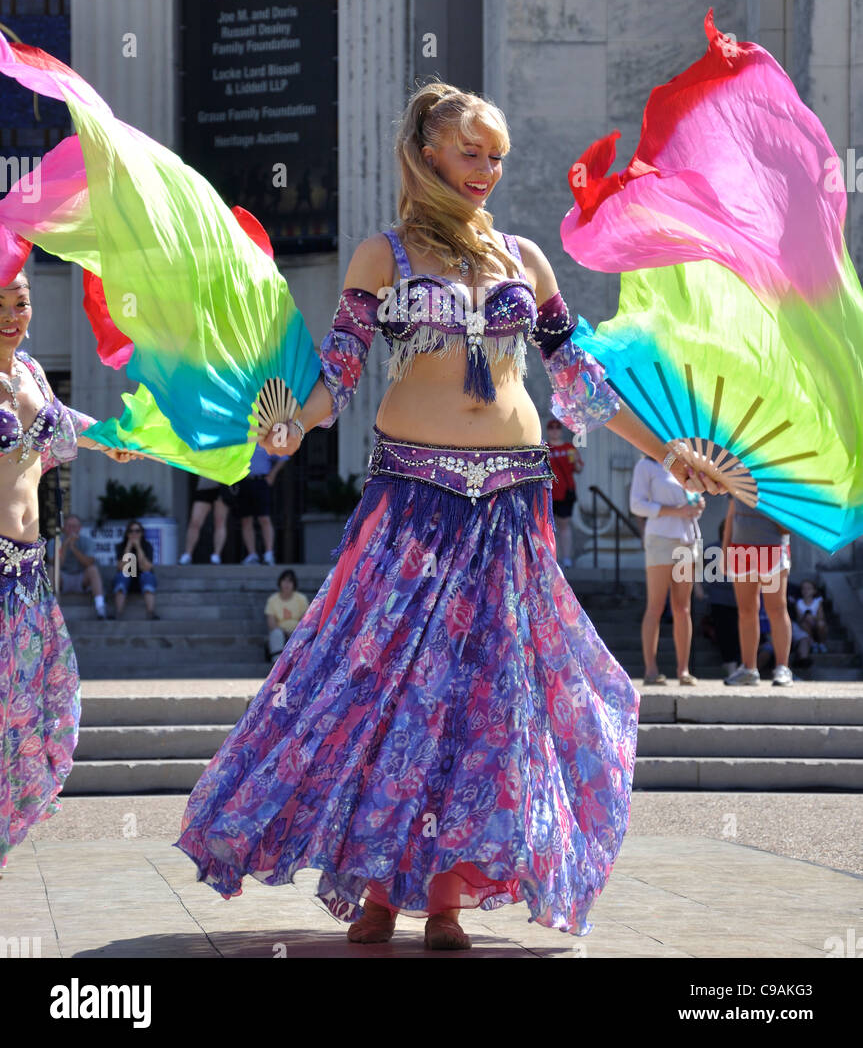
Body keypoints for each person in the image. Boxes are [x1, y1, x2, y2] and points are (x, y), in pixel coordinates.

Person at [175, 82, 726, 950]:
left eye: (497, 156)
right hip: (412, 502)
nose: (486, 170)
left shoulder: (522, 257)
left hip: (508, 503)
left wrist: (669, 451)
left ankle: (442, 900)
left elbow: (577, 380)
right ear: (427, 150)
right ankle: (380, 892)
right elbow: (341, 373)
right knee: (391, 691)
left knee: (484, 702)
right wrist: (294, 422)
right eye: (471, 152)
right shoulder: (382, 256)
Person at [0, 268, 139, 869]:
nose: (12, 314)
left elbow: (61, 419)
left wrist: (107, 437)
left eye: (21, 301)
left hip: (30, 578)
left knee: (39, 713)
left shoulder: (29, 370)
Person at [629, 454, 704, 685]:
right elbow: (637, 505)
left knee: (683, 608)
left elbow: (693, 501)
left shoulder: (685, 464)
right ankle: (651, 670)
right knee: (656, 606)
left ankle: (683, 671)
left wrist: (698, 505)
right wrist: (676, 511)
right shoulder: (646, 465)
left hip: (687, 540)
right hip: (660, 539)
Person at [722, 498, 794, 686]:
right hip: (740, 549)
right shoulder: (736, 468)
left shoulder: (779, 470)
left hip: (773, 547)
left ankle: (782, 668)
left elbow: (790, 513)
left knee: (777, 609)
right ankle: (748, 669)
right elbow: (731, 512)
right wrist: (725, 549)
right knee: (746, 611)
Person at [47, 512, 107, 620]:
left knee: (92, 569)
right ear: (64, 528)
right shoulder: (54, 542)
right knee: (51, 569)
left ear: (80, 528)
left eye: (74, 526)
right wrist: (64, 546)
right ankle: (49, 607)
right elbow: (56, 564)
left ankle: (100, 607)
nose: (71, 529)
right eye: (69, 526)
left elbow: (89, 563)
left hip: (81, 578)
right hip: (62, 579)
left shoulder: (88, 541)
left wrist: (73, 548)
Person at [238, 443, 288, 565]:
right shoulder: (242, 438)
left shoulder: (266, 440)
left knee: (264, 518)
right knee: (246, 520)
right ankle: (252, 554)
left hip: (261, 482)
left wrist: (272, 475)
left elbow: (284, 456)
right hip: (243, 481)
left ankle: (269, 554)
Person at [702, 515, 740, 676]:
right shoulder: (712, 549)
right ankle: (730, 665)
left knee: (738, 633)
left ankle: (739, 664)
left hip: (738, 598)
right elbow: (698, 569)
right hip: (719, 598)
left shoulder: (742, 549)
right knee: (725, 633)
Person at [546, 416, 583, 568]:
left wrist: (574, 461)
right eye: (551, 428)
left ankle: (566, 558)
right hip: (548, 493)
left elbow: (579, 469)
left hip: (565, 492)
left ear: (560, 431)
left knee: (564, 525)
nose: (554, 431)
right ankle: (552, 558)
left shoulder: (569, 448)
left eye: (557, 428)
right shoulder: (544, 449)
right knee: (548, 527)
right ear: (548, 431)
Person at [178, 475, 236, 565]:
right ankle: (188, 554)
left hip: (222, 486)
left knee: (220, 522)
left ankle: (216, 555)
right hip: (205, 485)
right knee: (195, 522)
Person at [112, 520, 159, 620]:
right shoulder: (121, 546)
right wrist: (128, 547)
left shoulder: (147, 545)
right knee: (122, 576)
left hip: (143, 579)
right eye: (131, 531)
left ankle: (151, 612)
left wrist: (138, 547)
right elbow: (121, 567)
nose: (134, 533)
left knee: (147, 576)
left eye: (137, 531)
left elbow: (146, 567)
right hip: (127, 579)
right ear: (127, 533)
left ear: (141, 533)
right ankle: (118, 613)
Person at [264, 568, 308, 661]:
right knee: (276, 634)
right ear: (280, 582)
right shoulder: (272, 600)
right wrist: (285, 632)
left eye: (290, 581)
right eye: (284, 580)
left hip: (297, 631)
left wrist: (293, 632)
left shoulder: (301, 599)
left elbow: (305, 620)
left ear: (294, 584)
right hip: (280, 633)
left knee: (303, 632)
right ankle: (276, 664)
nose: (286, 584)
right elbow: (271, 623)